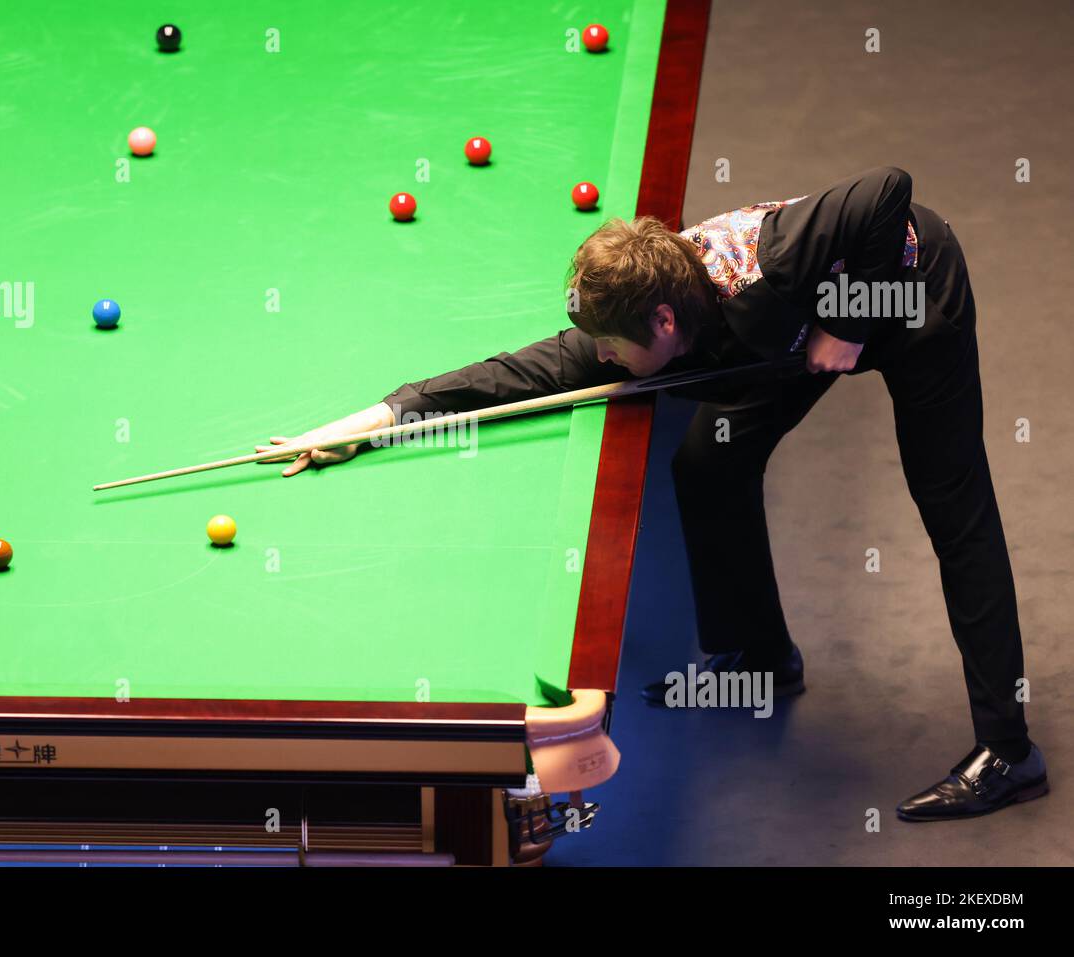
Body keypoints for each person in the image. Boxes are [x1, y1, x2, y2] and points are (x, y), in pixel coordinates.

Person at [260, 167, 1047, 821]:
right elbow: (510, 374)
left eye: (610, 346)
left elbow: (886, 191)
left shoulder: (767, 264)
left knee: (954, 512)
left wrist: (847, 319)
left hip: (907, 298)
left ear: (664, 320)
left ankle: (1010, 753)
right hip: (789, 341)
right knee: (708, 462)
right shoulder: (644, 319)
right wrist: (371, 420)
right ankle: (763, 659)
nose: (599, 356)